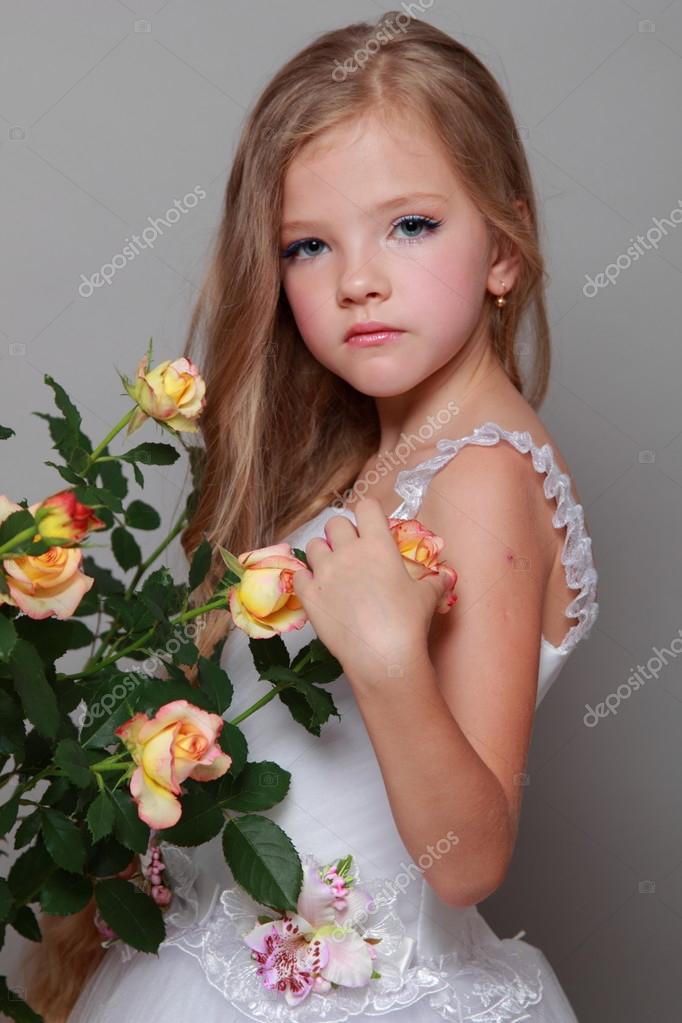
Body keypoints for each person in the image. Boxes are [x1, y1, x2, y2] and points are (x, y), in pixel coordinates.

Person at [24, 11, 599, 1022]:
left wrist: (384, 658)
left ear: (504, 248)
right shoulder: (370, 457)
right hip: (220, 968)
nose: (357, 279)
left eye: (410, 225)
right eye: (307, 245)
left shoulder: (481, 477)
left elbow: (465, 859)